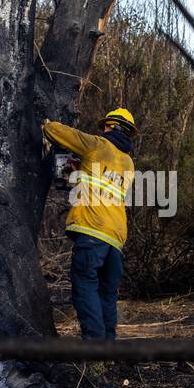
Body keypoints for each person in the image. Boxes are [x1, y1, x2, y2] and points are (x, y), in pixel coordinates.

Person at [42, 108, 136, 340]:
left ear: (110, 127)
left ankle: (93, 346)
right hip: (116, 235)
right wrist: (77, 169)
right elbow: (99, 179)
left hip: (93, 228)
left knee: (84, 284)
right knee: (107, 292)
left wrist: (45, 123)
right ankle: (107, 345)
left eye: (104, 127)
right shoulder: (128, 163)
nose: (102, 130)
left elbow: (56, 131)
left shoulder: (97, 145)